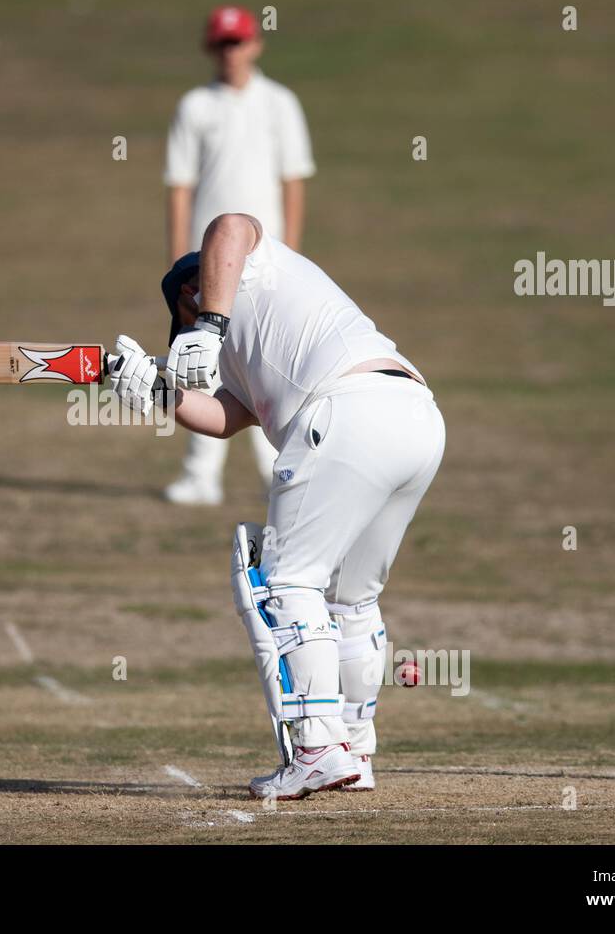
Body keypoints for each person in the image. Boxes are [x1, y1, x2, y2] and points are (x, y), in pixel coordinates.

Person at [109, 214, 445, 800]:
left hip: (347, 413)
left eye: (187, 318)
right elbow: (222, 418)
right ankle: (354, 746)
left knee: (286, 580)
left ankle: (317, 748)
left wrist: (207, 326)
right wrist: (154, 389)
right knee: (351, 596)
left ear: (192, 293)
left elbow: (230, 224)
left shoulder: (253, 270)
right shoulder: (242, 349)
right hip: (414, 416)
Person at [162, 5, 316, 505]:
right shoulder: (194, 107)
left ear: (255, 45)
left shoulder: (280, 103)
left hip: (267, 257)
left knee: (267, 361)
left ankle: (282, 472)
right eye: (223, 44)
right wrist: (178, 258)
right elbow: (180, 186)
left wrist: (292, 248)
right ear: (213, 48)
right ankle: (200, 474)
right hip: (207, 260)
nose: (232, 53)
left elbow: (293, 179)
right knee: (202, 359)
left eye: (239, 42)